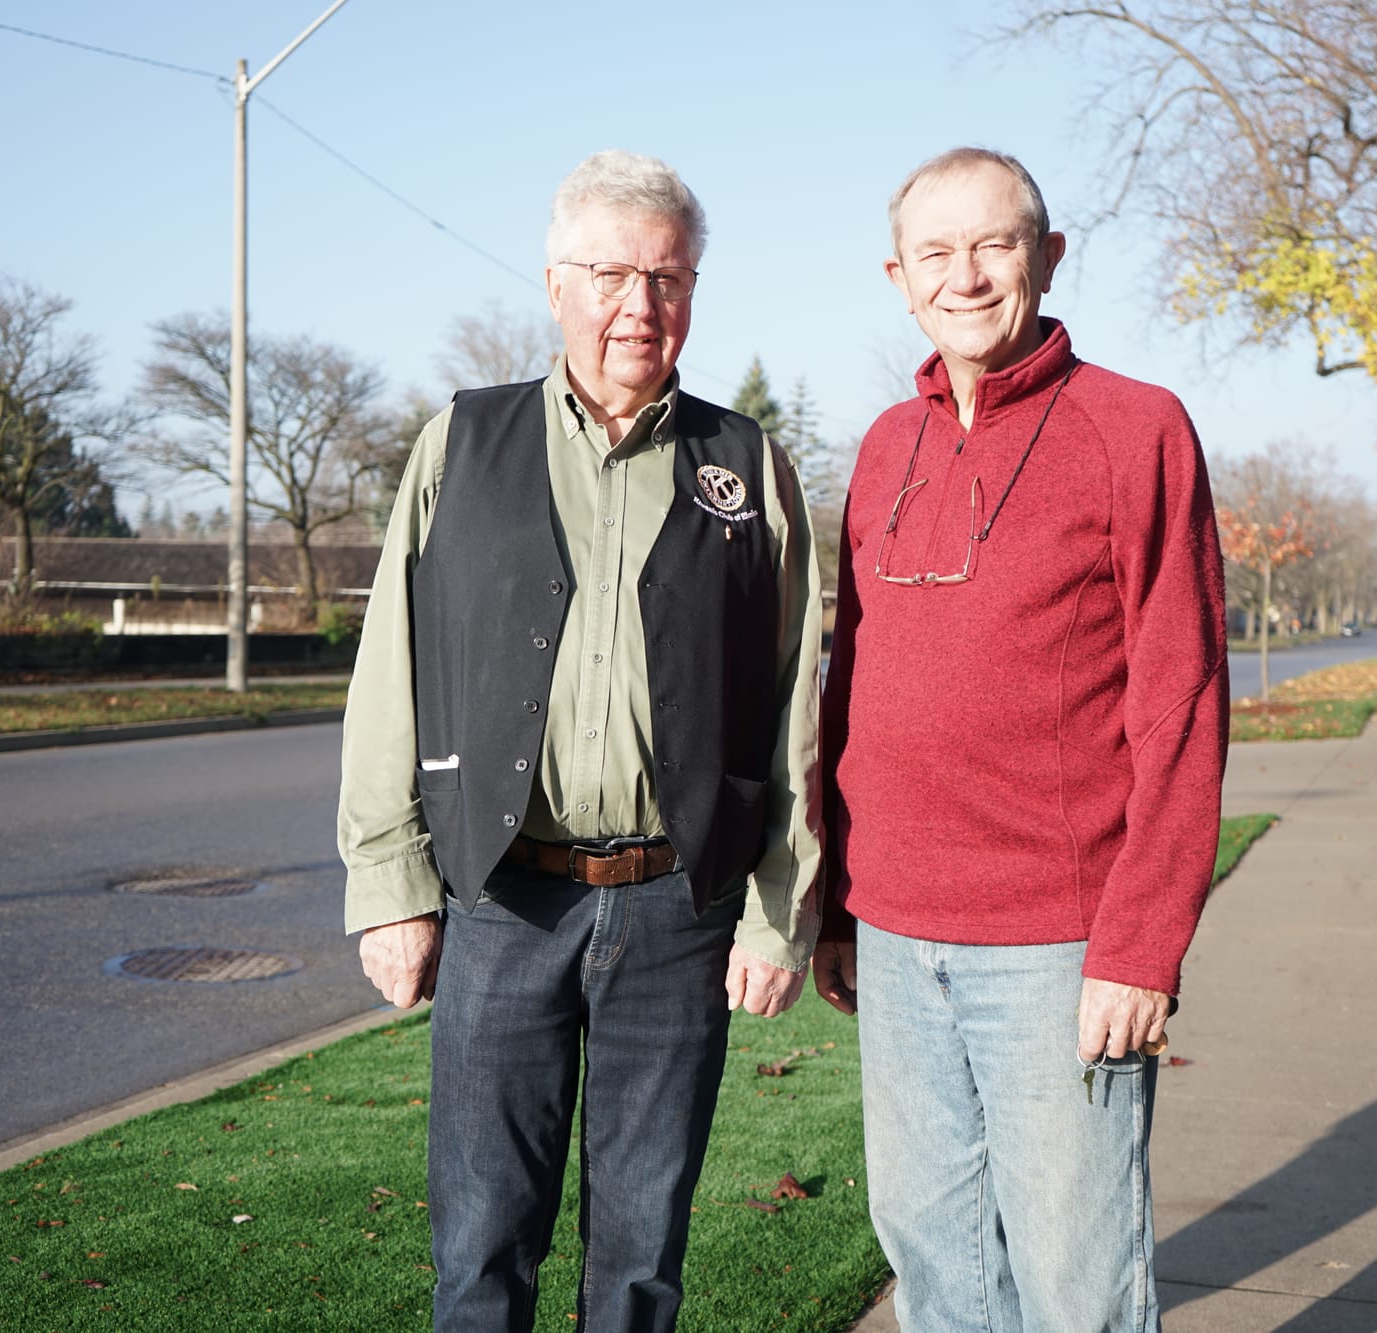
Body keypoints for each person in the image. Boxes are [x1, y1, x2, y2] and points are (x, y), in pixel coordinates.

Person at [337, 149, 825, 1333]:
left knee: (641, 1259)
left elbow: (794, 704)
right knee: (480, 1248)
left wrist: (778, 910)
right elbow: (392, 672)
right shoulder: (462, 442)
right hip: (505, 899)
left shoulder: (744, 463)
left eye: (666, 278)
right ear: (555, 283)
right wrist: (388, 885)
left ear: (692, 293)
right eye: (610, 274)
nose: (637, 307)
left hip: (677, 906)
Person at [812, 147, 1229, 1332]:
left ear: (1046, 256)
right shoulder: (885, 447)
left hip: (1057, 944)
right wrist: (839, 904)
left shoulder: (1134, 428)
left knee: (1072, 1283)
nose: (966, 275)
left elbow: (1181, 697)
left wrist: (1140, 947)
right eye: (934, 253)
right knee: (936, 1264)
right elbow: (856, 692)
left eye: (994, 244)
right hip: (895, 940)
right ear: (898, 278)